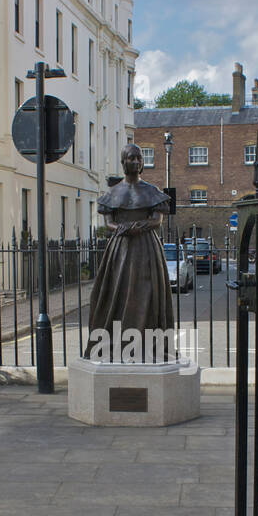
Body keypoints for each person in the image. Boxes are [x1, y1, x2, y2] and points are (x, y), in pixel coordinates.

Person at [85, 144, 174, 362]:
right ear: (123, 162)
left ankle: (148, 346)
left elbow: (157, 220)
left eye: (139, 158)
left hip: (146, 249)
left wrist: (136, 227)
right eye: (131, 158)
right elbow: (109, 222)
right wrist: (123, 229)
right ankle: (113, 345)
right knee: (117, 292)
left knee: (147, 293)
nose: (136, 161)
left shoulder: (152, 192)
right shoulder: (113, 193)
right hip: (120, 250)